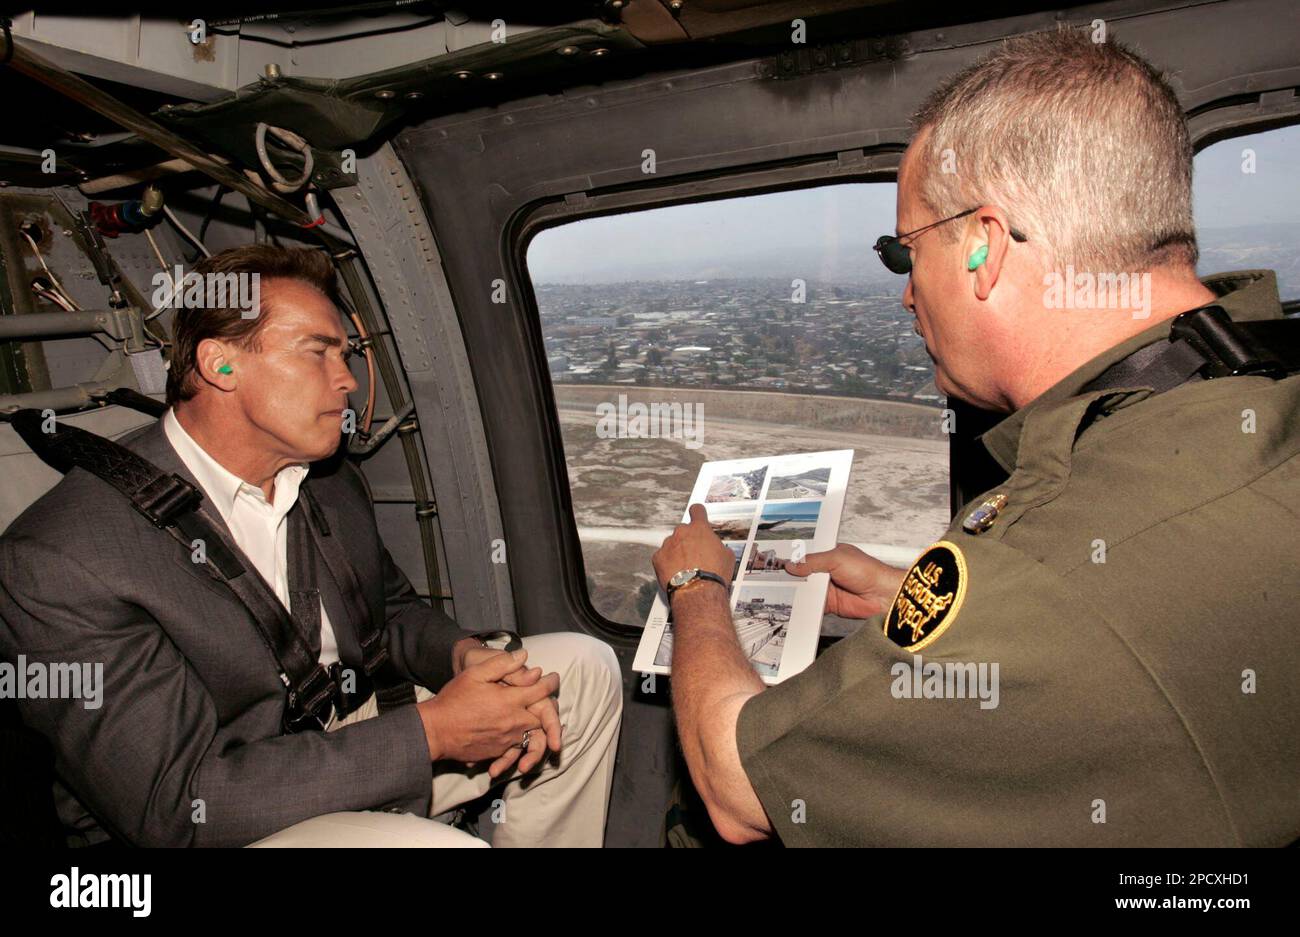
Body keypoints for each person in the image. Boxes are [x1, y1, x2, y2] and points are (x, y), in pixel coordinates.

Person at [652, 28, 1299, 846]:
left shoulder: (1040, 562)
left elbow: (735, 786)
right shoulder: (1251, 393)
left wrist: (698, 586)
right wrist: (919, 601)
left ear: (985, 246)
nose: (906, 296)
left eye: (904, 255)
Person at [0, 245, 622, 847]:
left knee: (581, 669)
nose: (347, 379)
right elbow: (173, 807)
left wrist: (461, 657)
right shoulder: (60, 560)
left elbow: (391, 612)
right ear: (220, 364)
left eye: (344, 355)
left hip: (343, 731)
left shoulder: (327, 479)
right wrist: (432, 734)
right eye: (317, 352)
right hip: (223, 799)